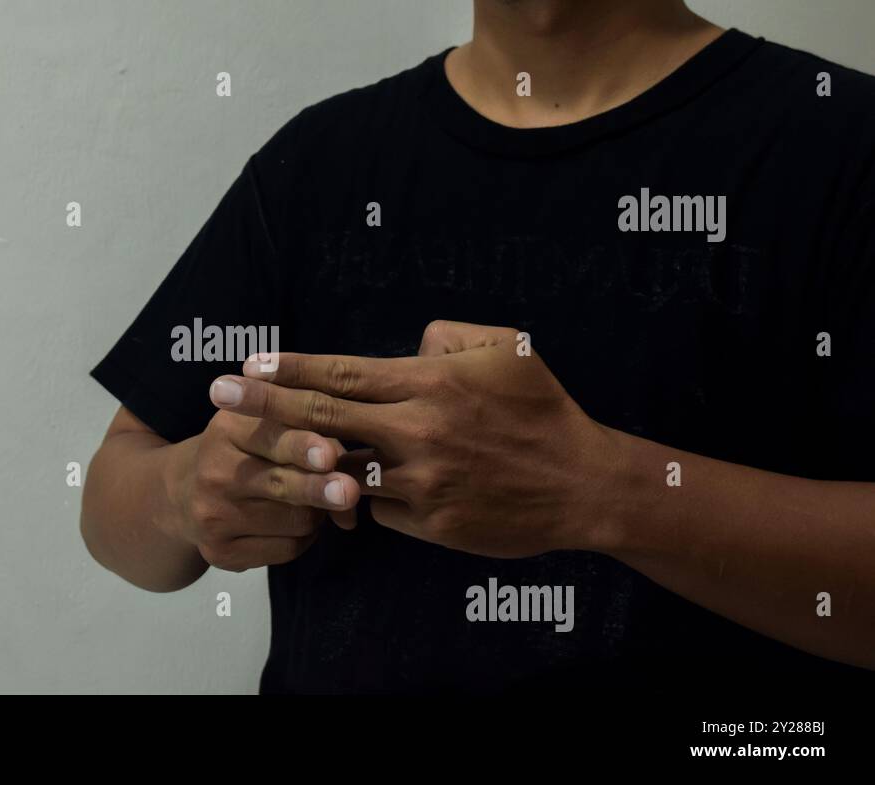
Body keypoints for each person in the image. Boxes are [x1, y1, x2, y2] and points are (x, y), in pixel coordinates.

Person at [80, 0, 875, 696]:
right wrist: (188, 493)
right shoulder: (318, 167)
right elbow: (116, 493)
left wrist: (600, 491)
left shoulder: (842, 143)